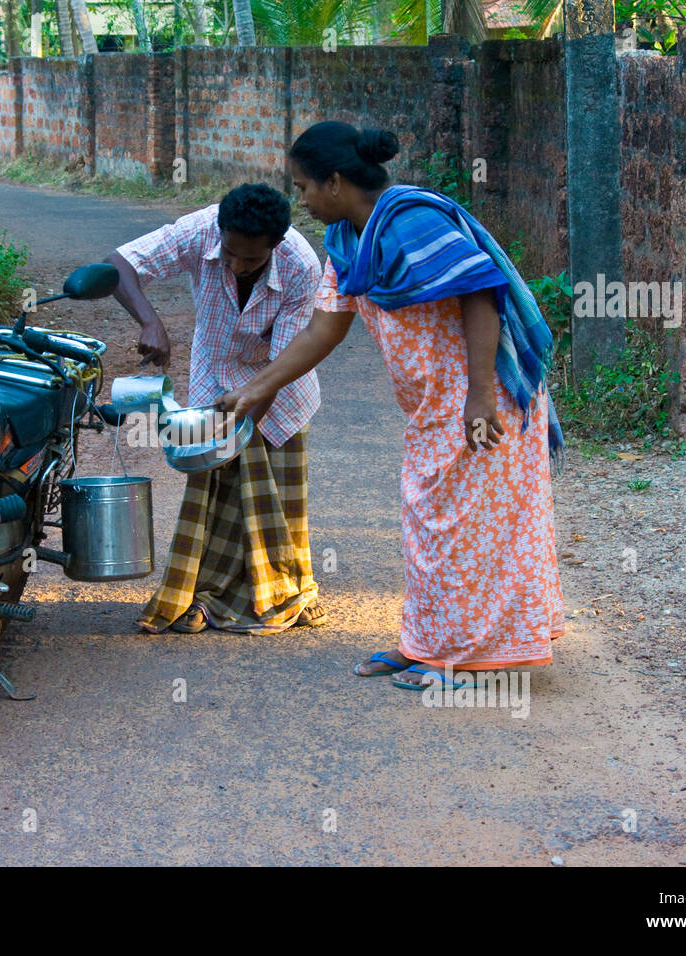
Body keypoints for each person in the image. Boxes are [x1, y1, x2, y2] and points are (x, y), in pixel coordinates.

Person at [220, 122, 565, 686]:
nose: (300, 200)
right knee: (429, 525)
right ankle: (427, 643)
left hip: (480, 398)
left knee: (470, 531)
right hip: (433, 406)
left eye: (304, 186)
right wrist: (259, 387)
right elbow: (322, 331)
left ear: (335, 182)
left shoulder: (412, 222)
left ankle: (469, 660)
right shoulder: (349, 243)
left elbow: (481, 294)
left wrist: (480, 396)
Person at [107, 183, 326, 634]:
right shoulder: (201, 230)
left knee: (266, 494)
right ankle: (204, 592)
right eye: (229, 254)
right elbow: (119, 264)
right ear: (220, 232)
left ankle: (276, 589)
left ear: (276, 246)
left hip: (278, 387)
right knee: (211, 497)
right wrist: (150, 321)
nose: (237, 265)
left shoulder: (302, 266)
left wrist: (232, 436)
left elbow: (285, 362)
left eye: (251, 259)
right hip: (215, 374)